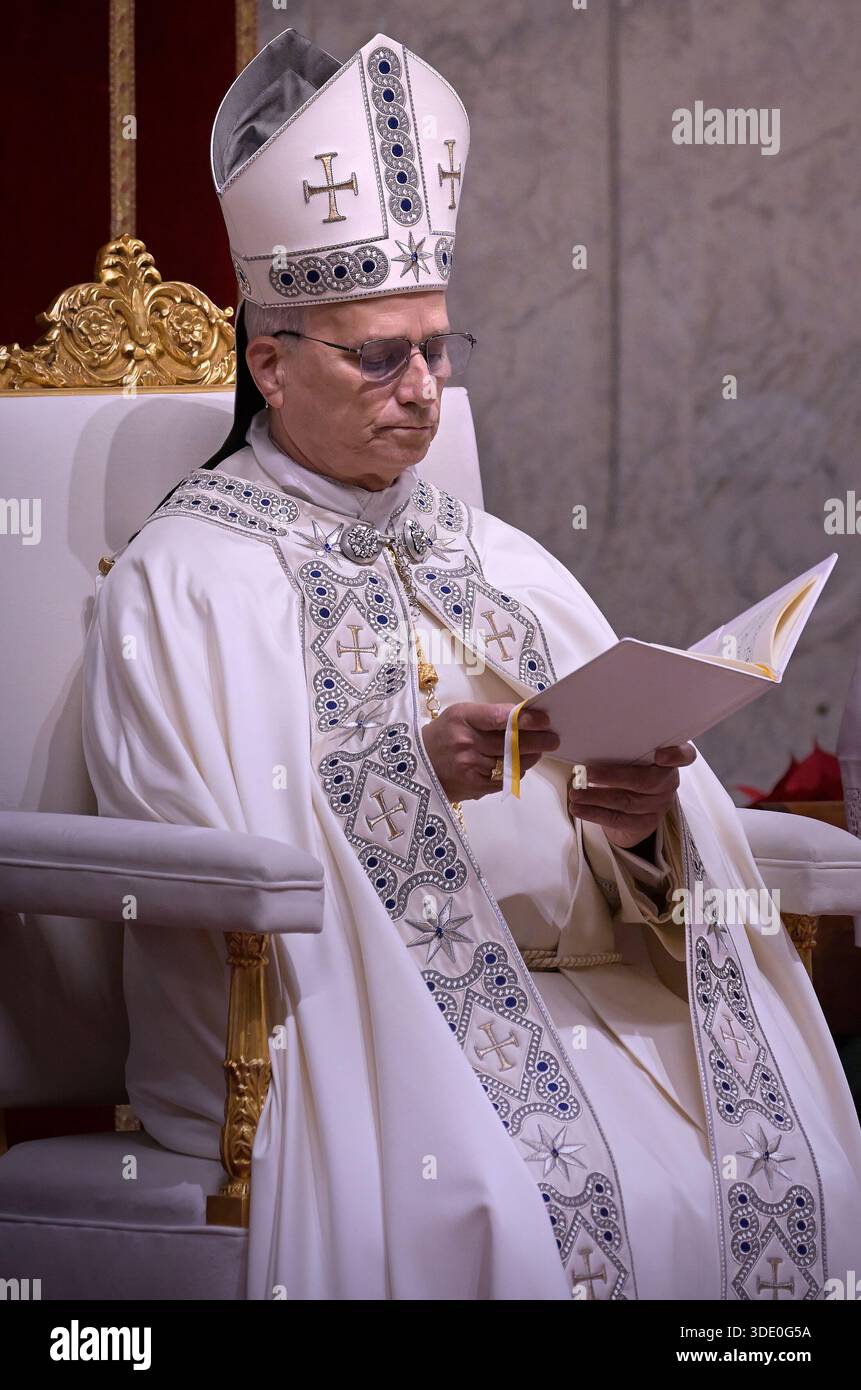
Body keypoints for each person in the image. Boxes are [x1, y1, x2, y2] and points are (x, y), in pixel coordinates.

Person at [82, 26, 861, 1300]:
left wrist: (644, 830)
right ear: (269, 364)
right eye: (380, 354)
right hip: (367, 1034)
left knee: (805, 1176)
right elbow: (204, 858)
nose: (424, 389)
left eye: (440, 349)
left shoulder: (502, 556)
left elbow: (647, 803)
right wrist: (404, 781)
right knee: (516, 1203)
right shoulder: (188, 581)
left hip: (591, 997)